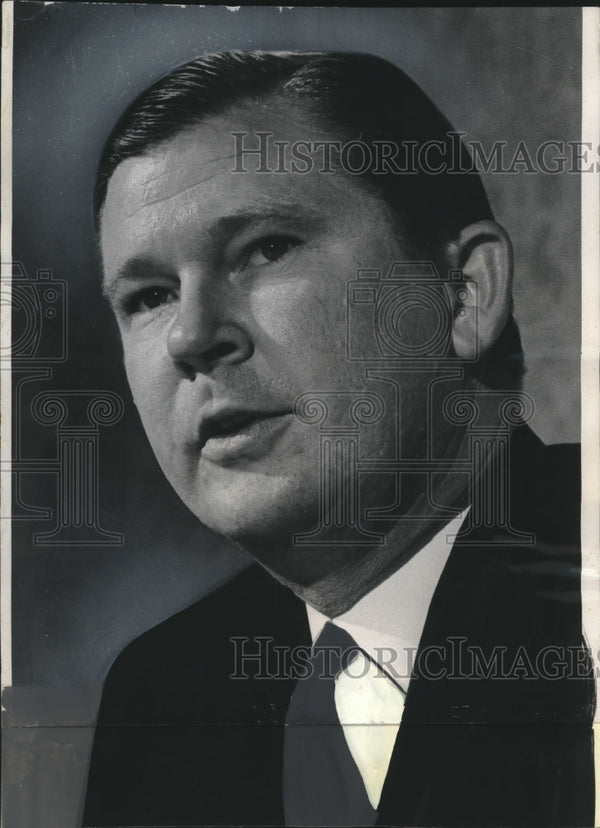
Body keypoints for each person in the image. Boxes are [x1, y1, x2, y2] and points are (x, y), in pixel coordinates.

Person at [82, 51, 594, 827]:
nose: (190, 335)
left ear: (463, 295)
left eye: (265, 248)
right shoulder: (164, 692)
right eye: (149, 295)